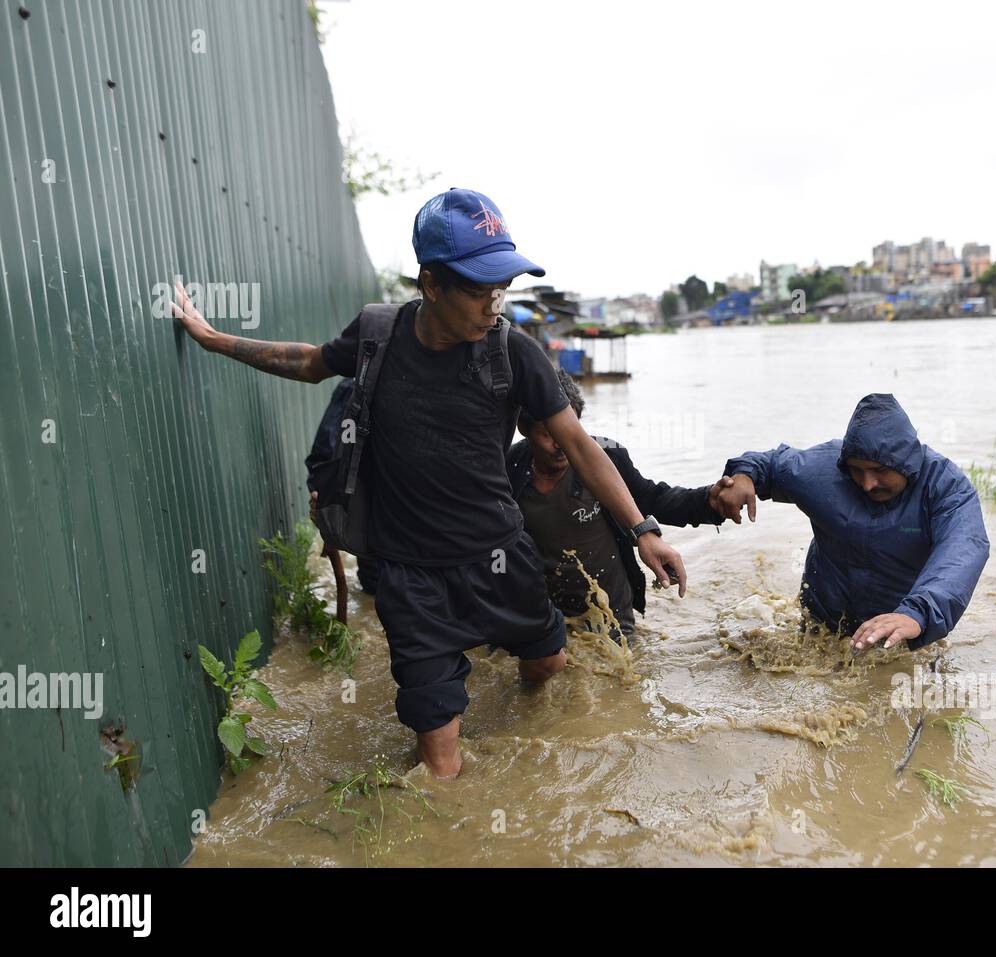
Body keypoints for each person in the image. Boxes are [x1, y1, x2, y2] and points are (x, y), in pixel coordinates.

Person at [171, 187, 688, 779]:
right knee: (441, 763)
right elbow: (309, 362)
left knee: (547, 666)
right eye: (478, 288)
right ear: (431, 283)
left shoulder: (515, 354)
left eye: (503, 287)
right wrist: (214, 340)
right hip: (407, 572)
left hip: (498, 555)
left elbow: (579, 445)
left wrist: (644, 530)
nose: (494, 304)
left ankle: (531, 764)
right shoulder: (377, 337)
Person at [715, 394, 989, 652]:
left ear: (907, 461)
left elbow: (963, 551)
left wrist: (918, 613)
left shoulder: (945, 487)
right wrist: (744, 476)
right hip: (823, 625)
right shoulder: (825, 469)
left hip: (902, 627)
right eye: (858, 470)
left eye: (880, 471)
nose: (868, 483)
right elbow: (770, 464)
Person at [505, 369, 729, 639]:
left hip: (610, 616)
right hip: (544, 616)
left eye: (570, 429)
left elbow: (653, 498)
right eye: (549, 433)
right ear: (524, 429)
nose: (561, 443)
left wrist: (710, 501)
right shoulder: (509, 468)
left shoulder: (605, 457)